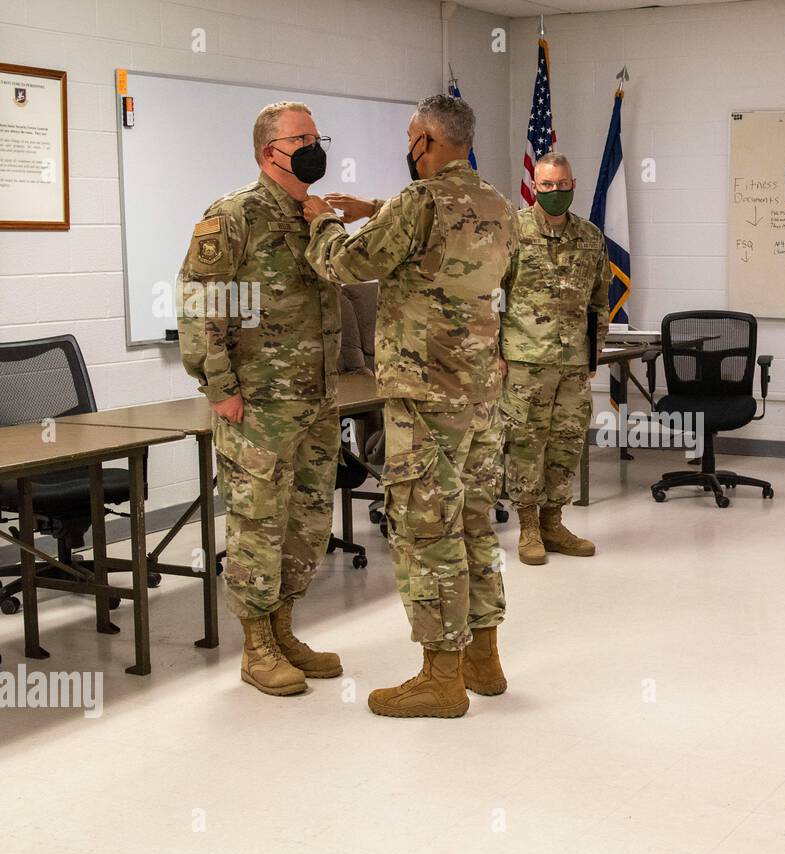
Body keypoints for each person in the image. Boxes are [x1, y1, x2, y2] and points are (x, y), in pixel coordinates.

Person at [302, 94, 517, 719]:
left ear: (424, 140)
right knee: (475, 524)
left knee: (426, 531)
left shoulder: (419, 204)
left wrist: (322, 217)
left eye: (408, 137)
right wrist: (377, 209)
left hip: (424, 398)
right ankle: (484, 658)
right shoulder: (500, 205)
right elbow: (453, 253)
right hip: (480, 396)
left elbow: (345, 264)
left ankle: (440, 677)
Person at [178, 101, 343, 697]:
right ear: (268, 151)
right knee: (257, 521)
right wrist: (218, 386)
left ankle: (285, 628)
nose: (313, 145)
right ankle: (256, 647)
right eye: (300, 137)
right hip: (258, 404)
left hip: (317, 398)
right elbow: (201, 300)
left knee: (306, 519)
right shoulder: (233, 215)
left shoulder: (314, 215)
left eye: (316, 135)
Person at [500, 152, 612, 565]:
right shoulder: (513, 230)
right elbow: (493, 295)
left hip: (573, 362)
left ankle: (553, 522)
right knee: (527, 443)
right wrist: (497, 353)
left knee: (566, 443)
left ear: (573, 185)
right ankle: (528, 526)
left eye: (562, 185)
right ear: (535, 185)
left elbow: (600, 299)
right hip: (526, 360)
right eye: (547, 185)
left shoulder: (589, 236)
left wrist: (594, 349)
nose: (555, 192)